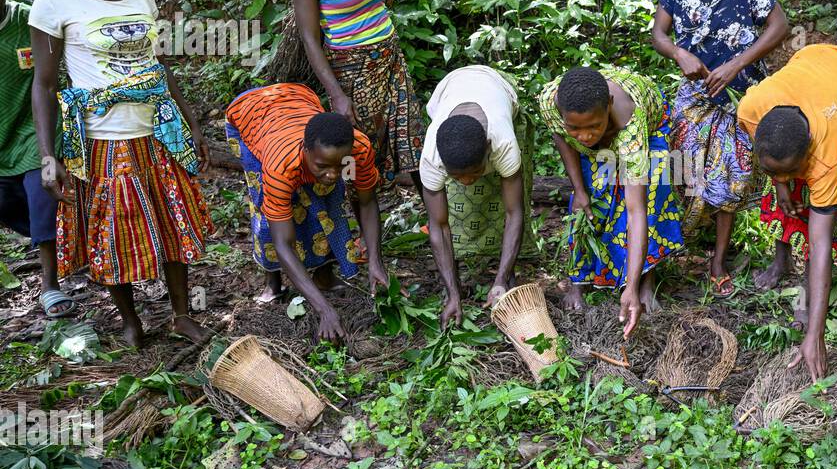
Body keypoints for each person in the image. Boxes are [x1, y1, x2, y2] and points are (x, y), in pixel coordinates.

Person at [29, 0, 212, 349]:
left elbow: (158, 64)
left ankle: (182, 316)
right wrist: (48, 155)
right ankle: (130, 321)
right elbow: (45, 83)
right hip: (101, 141)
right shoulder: (54, 3)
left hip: (156, 132)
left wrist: (191, 122)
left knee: (173, 223)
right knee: (110, 233)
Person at [737, 43, 837, 377]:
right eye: (772, 171)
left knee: (823, 212)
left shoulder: (827, 151)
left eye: (791, 171)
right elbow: (775, 161)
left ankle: (808, 298)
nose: (780, 178)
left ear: (810, 152)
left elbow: (821, 240)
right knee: (787, 189)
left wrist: (816, 334)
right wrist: (782, 184)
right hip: (808, 63)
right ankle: (784, 264)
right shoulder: (750, 110)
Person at [652, 0, 789, 294]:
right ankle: (683, 245)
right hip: (695, 92)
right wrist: (679, 52)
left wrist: (736, 64)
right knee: (679, 164)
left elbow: (779, 25)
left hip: (741, 91)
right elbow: (659, 33)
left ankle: (718, 260)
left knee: (730, 172)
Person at [224, 82, 389, 344]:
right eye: (323, 165)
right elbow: (283, 242)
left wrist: (375, 262)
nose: (333, 174)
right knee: (268, 216)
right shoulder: (280, 165)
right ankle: (273, 282)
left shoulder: (358, 147)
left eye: (340, 165)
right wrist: (323, 309)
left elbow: (367, 202)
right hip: (250, 117)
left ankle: (323, 275)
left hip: (297, 97)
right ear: (305, 149)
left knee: (328, 201)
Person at [540, 65, 685, 338]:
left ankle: (645, 280)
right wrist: (579, 188)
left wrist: (629, 288)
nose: (585, 136)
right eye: (576, 128)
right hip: (602, 123)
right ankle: (579, 279)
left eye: (593, 126)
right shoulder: (550, 102)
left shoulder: (631, 124)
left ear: (609, 105)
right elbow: (561, 136)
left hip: (648, 129)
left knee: (653, 195)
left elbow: (636, 211)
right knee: (589, 201)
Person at [289, 0, 422, 186]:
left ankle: (437, 225)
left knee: (413, 141)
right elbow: (310, 40)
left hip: (391, 63)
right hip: (353, 72)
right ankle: (364, 224)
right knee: (361, 153)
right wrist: (336, 94)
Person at [417, 65, 538, 327]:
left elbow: (514, 212)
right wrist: (453, 294)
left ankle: (507, 273)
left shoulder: (503, 140)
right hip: (448, 90)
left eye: (475, 172)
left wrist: (501, 280)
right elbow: (438, 225)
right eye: (457, 177)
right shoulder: (431, 158)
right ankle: (454, 282)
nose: (468, 181)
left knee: (507, 197)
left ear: (488, 150)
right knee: (460, 208)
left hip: (496, 87)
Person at [0, 0, 75, 317]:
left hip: (31, 129)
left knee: (41, 191)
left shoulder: (29, 20)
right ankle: (68, 239)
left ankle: (50, 285)